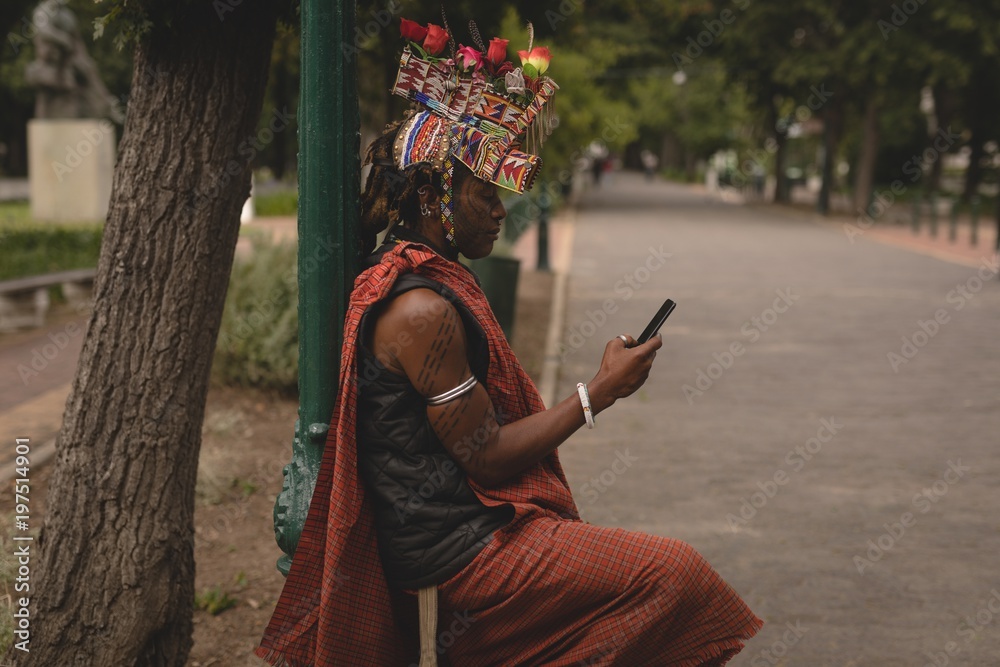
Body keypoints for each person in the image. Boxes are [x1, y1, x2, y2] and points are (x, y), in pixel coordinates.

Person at [256, 18, 762, 667]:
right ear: (437, 197)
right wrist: (598, 392)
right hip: (460, 553)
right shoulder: (418, 311)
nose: (500, 209)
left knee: (667, 582)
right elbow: (487, 456)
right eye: (484, 192)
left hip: (469, 530)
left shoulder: (427, 281)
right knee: (675, 574)